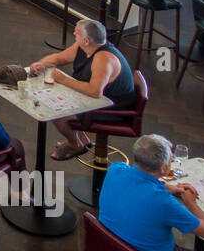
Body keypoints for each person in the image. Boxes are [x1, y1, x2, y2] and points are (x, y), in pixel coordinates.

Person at [29, 18, 135, 160]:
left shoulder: (104, 59)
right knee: (54, 100)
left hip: (112, 107)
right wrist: (41, 64)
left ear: (87, 40)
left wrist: (63, 79)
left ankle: (75, 144)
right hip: (98, 99)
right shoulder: (85, 46)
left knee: (56, 112)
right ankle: (82, 140)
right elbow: (59, 58)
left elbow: (95, 92)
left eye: (77, 32)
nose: (73, 33)